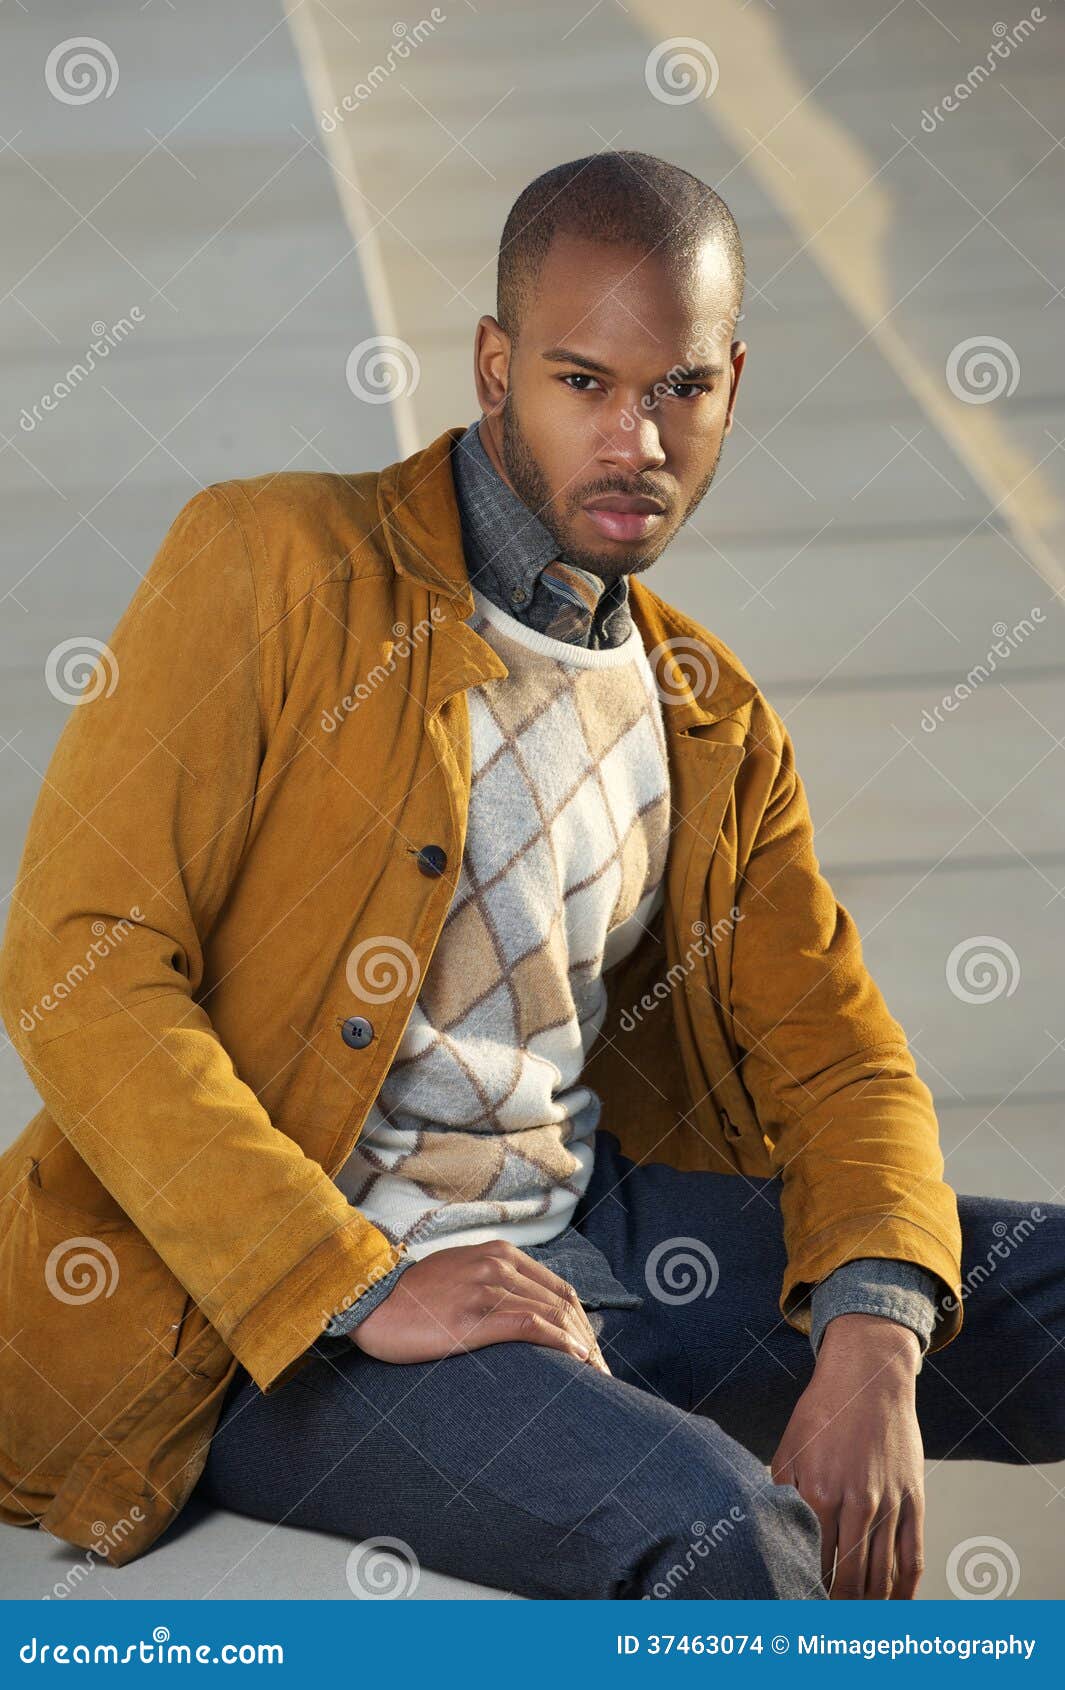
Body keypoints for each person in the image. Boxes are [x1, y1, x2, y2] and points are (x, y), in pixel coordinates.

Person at [1, 152, 1061, 1600]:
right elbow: (84, 959)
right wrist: (356, 1279)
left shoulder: (706, 710)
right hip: (282, 1327)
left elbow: (835, 1056)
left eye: (678, 388)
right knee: (727, 1534)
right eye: (584, 382)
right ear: (495, 367)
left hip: (591, 1249)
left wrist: (875, 1330)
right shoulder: (273, 562)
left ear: (732, 385)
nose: (635, 437)